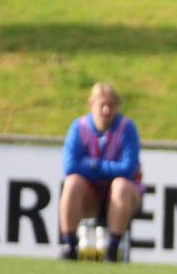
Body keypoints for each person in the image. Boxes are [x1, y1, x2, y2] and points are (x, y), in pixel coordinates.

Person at [58, 82, 142, 262]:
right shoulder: (79, 128)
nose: (106, 110)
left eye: (111, 105)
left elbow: (128, 168)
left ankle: (112, 250)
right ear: (91, 105)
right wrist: (107, 169)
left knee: (120, 186)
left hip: (121, 197)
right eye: (102, 104)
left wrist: (93, 166)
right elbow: (70, 166)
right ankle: (69, 246)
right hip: (91, 195)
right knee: (72, 183)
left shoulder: (127, 129)